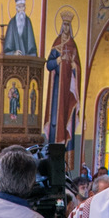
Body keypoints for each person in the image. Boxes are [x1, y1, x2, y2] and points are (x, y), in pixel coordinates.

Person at [44, 10, 81, 157]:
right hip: (56, 88)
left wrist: (73, 66)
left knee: (66, 117)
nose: (66, 27)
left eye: (68, 25)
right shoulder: (56, 44)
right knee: (54, 118)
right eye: (64, 24)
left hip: (68, 90)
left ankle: (65, 151)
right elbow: (49, 65)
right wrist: (58, 60)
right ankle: (52, 149)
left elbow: (77, 66)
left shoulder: (72, 45)